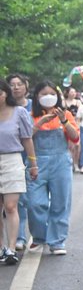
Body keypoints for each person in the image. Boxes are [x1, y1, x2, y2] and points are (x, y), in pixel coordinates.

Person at [27, 81, 79, 255]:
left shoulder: (65, 115)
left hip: (61, 162)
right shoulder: (30, 115)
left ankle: (57, 241)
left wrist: (64, 120)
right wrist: (39, 122)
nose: (48, 97)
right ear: (36, 97)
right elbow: (24, 138)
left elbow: (75, 137)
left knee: (61, 202)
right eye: (43, 94)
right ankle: (39, 237)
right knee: (35, 203)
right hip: (36, 162)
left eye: (51, 93)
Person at [0, 77, 37, 265]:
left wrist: (33, 164)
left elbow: (27, 138)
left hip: (12, 160)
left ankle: (12, 248)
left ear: (6, 93)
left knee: (11, 206)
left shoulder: (19, 112)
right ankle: (1, 247)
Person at [7, 74, 31, 253]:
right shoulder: (4, 108)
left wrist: (33, 162)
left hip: (28, 156)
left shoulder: (32, 106)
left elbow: (28, 137)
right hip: (11, 157)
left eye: (19, 84)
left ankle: (37, 235)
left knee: (31, 200)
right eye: (12, 84)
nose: (15, 87)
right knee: (16, 203)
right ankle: (18, 239)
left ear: (26, 86)